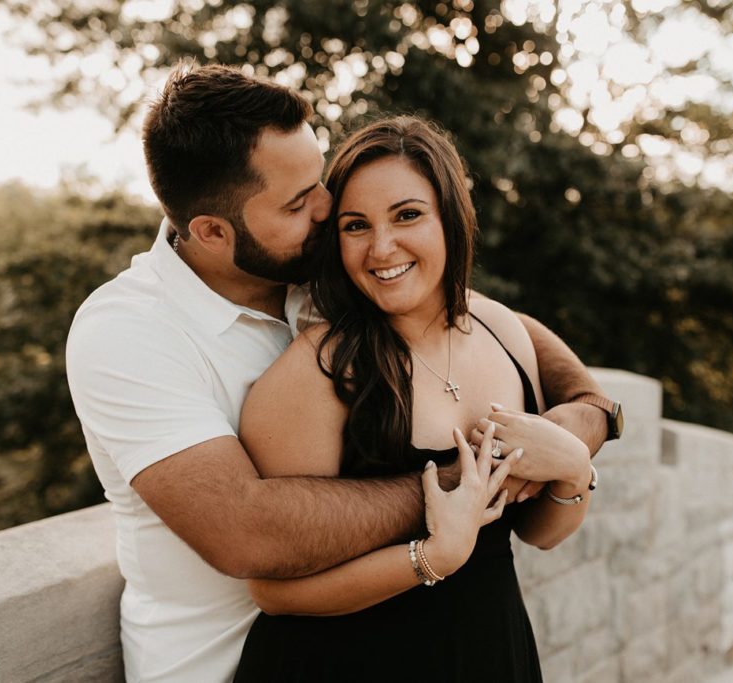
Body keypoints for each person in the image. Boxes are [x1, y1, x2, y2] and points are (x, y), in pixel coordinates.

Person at [66, 62, 616, 683]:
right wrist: (477, 473)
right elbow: (247, 535)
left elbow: (482, 319)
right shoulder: (129, 332)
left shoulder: (315, 273)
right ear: (214, 232)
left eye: (319, 180)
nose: (330, 208)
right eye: (300, 202)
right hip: (221, 664)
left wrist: (589, 413)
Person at [232, 116, 595, 681]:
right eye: (356, 226)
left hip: (488, 650)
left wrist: (575, 470)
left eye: (407, 215)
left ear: (450, 216)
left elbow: (534, 533)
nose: (381, 248)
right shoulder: (316, 373)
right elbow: (273, 591)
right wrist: (430, 559)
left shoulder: (504, 330)